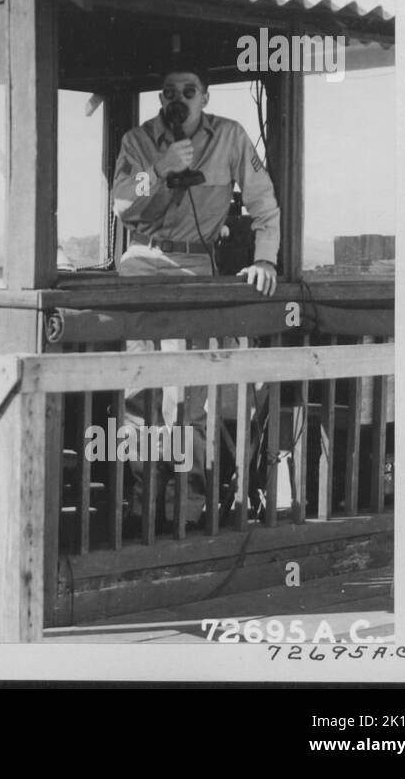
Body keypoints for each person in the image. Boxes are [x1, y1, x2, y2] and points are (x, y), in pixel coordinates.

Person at [111, 63, 279, 533]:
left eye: (188, 91)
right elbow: (121, 204)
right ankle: (144, 511)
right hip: (144, 265)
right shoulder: (138, 140)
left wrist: (265, 260)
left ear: (204, 97)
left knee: (192, 396)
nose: (177, 99)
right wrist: (160, 170)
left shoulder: (230, 137)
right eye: (168, 92)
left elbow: (264, 201)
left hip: (197, 270)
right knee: (140, 393)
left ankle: (189, 507)